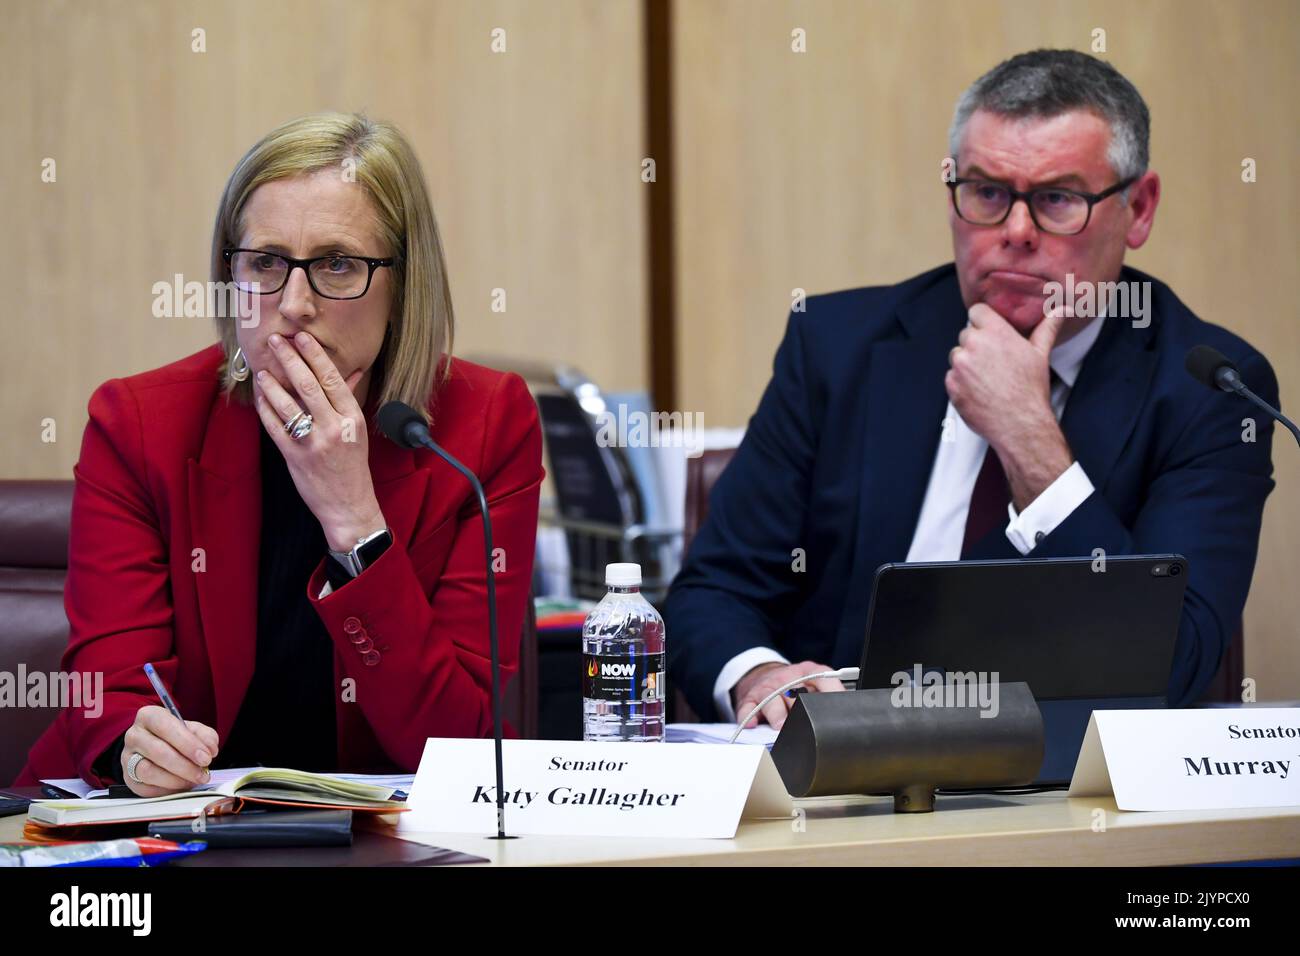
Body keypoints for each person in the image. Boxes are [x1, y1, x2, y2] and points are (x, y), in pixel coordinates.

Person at [665, 50, 1277, 728]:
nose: (1016, 234)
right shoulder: (838, 349)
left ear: (1139, 208)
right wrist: (761, 674)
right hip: (843, 792)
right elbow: (711, 593)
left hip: (1067, 802)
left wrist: (1030, 440)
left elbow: (1176, 665)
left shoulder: (1210, 391)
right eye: (987, 192)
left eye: (1057, 199)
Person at [17, 113, 543, 794]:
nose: (293, 304)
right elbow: (111, 697)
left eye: (337, 264)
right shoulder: (141, 422)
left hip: (382, 841)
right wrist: (135, 747)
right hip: (168, 831)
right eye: (265, 263)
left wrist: (353, 518)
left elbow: (454, 744)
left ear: (405, 285)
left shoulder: (482, 424)